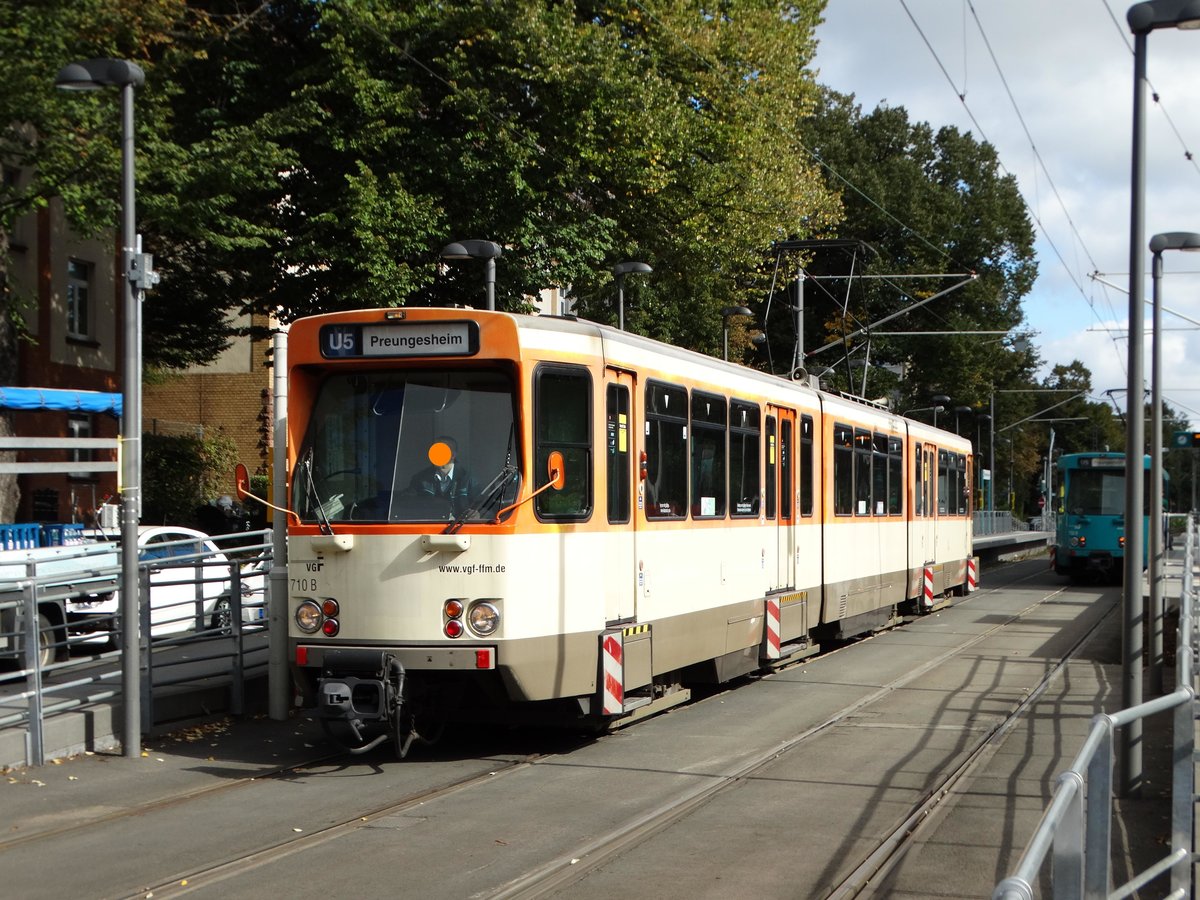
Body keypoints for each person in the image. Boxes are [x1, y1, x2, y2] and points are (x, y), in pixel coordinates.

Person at [410, 436, 479, 512]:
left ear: (453, 455)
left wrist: (478, 514)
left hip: (459, 524)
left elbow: (484, 508)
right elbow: (408, 504)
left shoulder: (468, 480)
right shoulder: (420, 479)